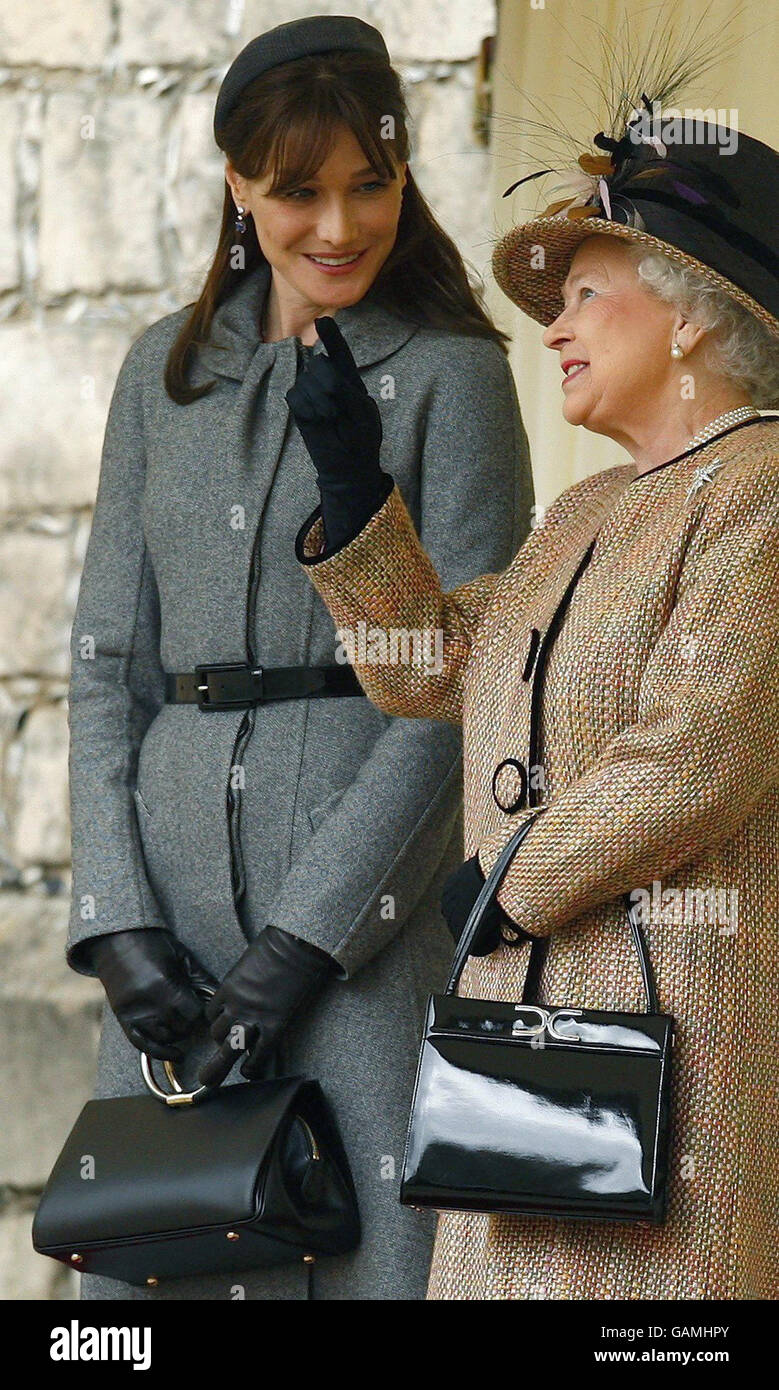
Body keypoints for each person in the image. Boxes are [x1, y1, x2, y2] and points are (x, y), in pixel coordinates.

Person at [64, 16, 533, 1301]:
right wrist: (114, 923)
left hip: (356, 942)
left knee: (360, 1261)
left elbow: (462, 692)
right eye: (296, 191)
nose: (338, 224)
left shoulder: (453, 378)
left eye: (368, 184)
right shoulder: (157, 378)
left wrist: (306, 943)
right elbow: (108, 665)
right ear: (236, 184)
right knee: (153, 1290)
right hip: (167, 940)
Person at [288, 93, 779, 1299]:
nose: (551, 328)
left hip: (676, 1042)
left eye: (582, 296)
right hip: (516, 1057)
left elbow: (697, 752)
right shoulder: (585, 513)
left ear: (688, 315)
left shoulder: (760, 487)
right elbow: (429, 669)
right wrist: (355, 496)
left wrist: (502, 883)